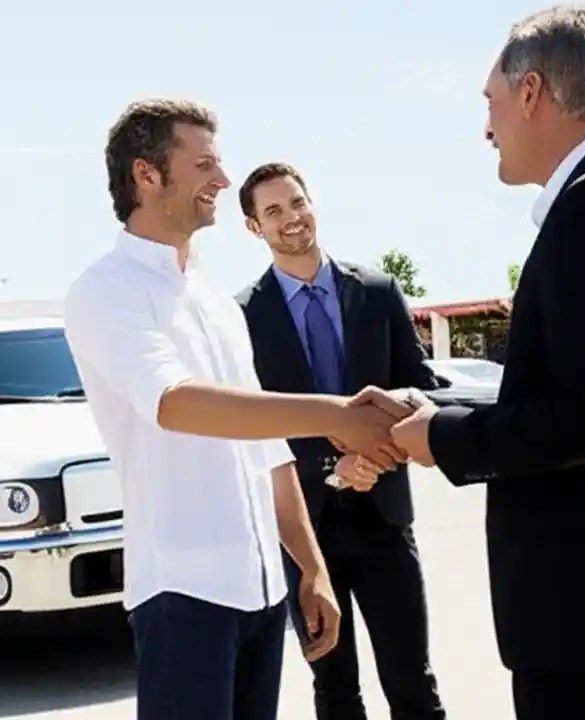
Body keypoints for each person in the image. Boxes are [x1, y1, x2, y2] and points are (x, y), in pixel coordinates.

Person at [63, 98, 408, 720]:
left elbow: (266, 450)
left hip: (262, 593)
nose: (222, 181)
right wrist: (335, 414)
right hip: (183, 594)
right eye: (205, 166)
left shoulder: (216, 301)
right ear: (147, 174)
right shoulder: (104, 291)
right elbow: (174, 403)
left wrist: (310, 567)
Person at [378, 6, 585, 719]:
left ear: (532, 92)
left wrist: (438, 438)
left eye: (491, 102)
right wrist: (440, 414)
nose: (487, 126)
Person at [235, 162, 446, 719]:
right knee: (334, 691)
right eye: (273, 211)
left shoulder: (376, 292)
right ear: (254, 228)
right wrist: (335, 461)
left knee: (413, 684)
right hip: (306, 532)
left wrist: (372, 457)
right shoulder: (241, 316)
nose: (291, 218)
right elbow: (251, 421)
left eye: (297, 202)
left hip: (383, 516)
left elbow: (423, 389)